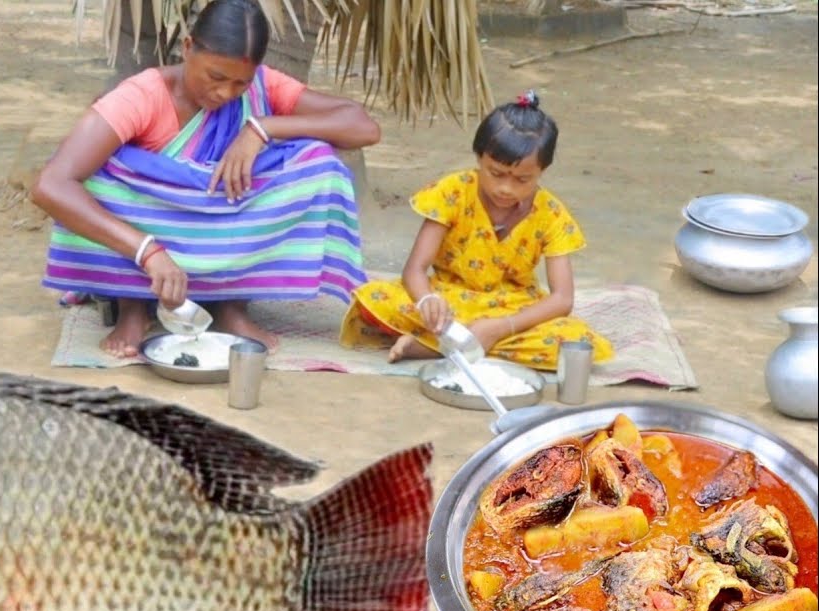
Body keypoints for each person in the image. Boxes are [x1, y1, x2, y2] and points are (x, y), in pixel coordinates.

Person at [32, 0, 380, 358]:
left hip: (221, 224)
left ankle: (231, 305)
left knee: (317, 161)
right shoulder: (142, 96)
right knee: (104, 173)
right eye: (215, 77)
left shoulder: (262, 86)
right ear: (187, 48)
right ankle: (132, 306)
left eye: (239, 84)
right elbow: (51, 184)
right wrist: (146, 249)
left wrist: (261, 127)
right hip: (151, 232)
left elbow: (362, 127)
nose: (225, 93)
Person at [338, 91, 614, 371]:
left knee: (578, 342)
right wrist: (428, 300)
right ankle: (462, 343)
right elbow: (414, 271)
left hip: (512, 310)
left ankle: (434, 347)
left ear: (543, 170)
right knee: (374, 299)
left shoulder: (551, 213)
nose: (506, 188)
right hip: (448, 302)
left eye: (522, 179)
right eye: (495, 173)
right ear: (479, 158)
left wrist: (501, 327)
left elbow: (562, 299)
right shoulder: (453, 192)